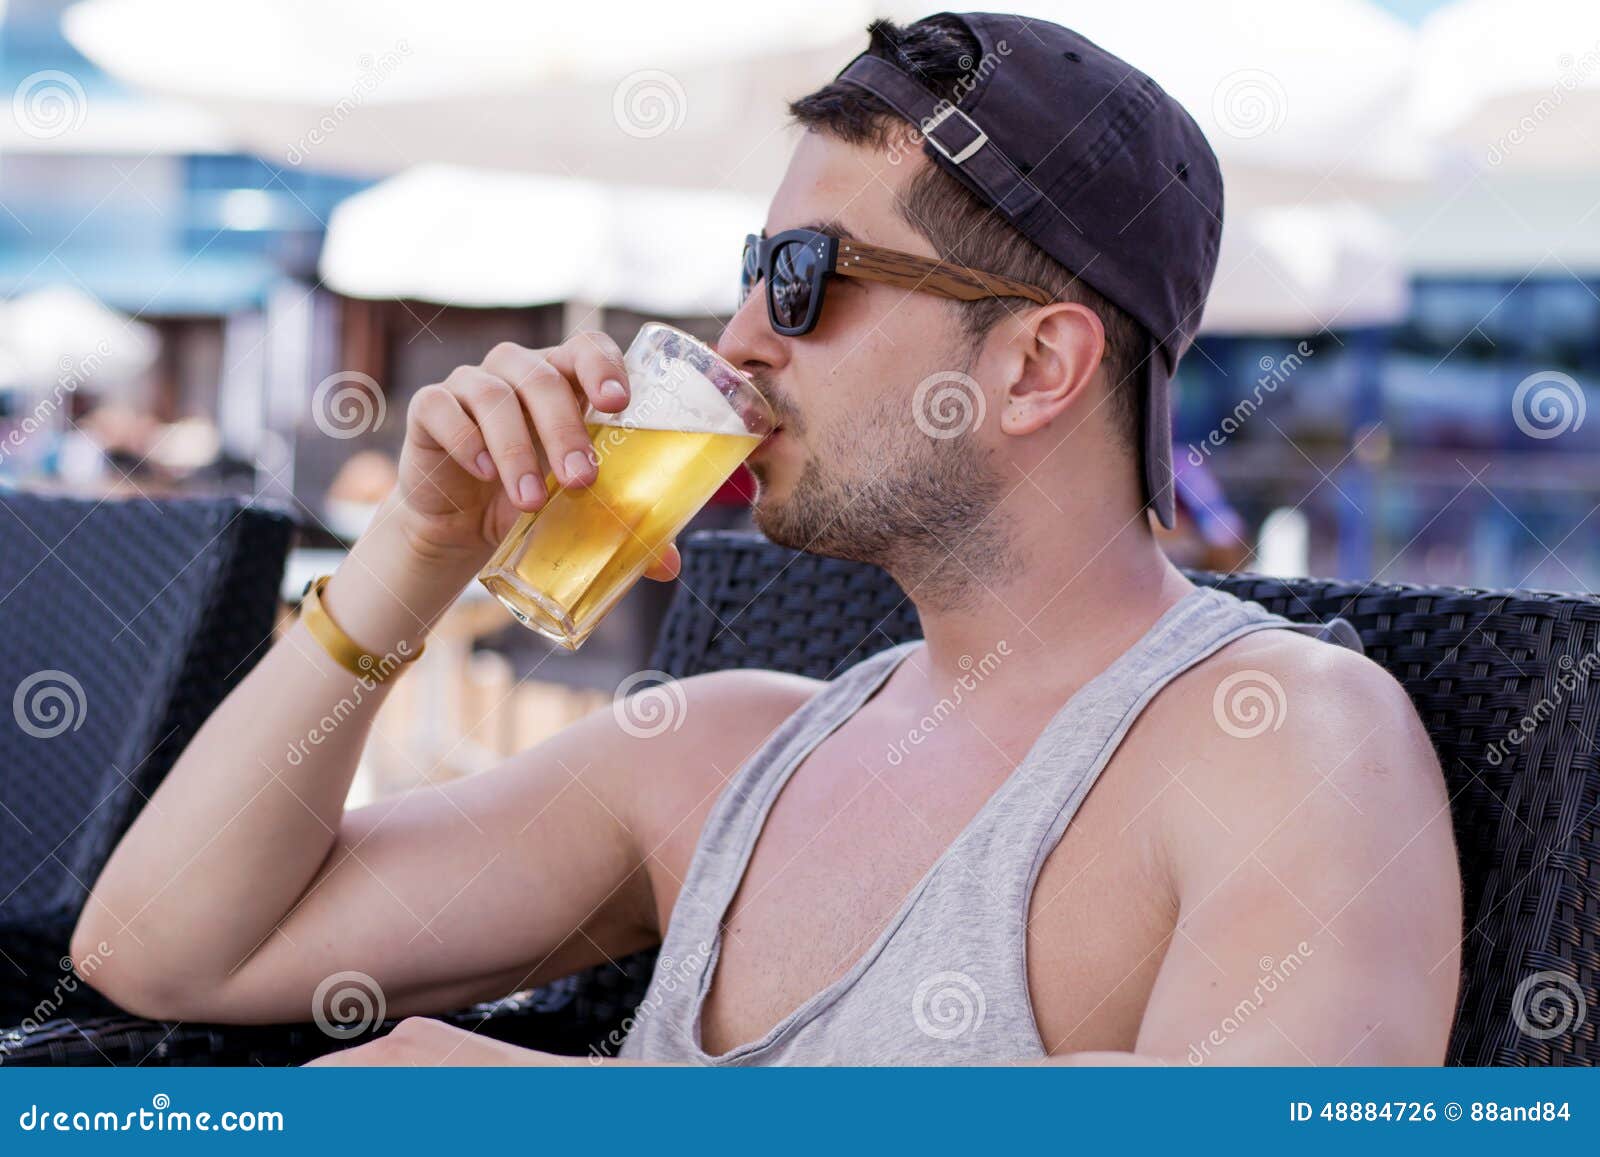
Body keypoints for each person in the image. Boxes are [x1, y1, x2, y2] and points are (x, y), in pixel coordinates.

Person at [72, 14, 1460, 1065]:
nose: (737, 337)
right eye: (750, 272)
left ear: (1039, 365)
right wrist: (415, 553)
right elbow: (166, 951)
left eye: (802, 281)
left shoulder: (1281, 739)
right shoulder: (717, 755)